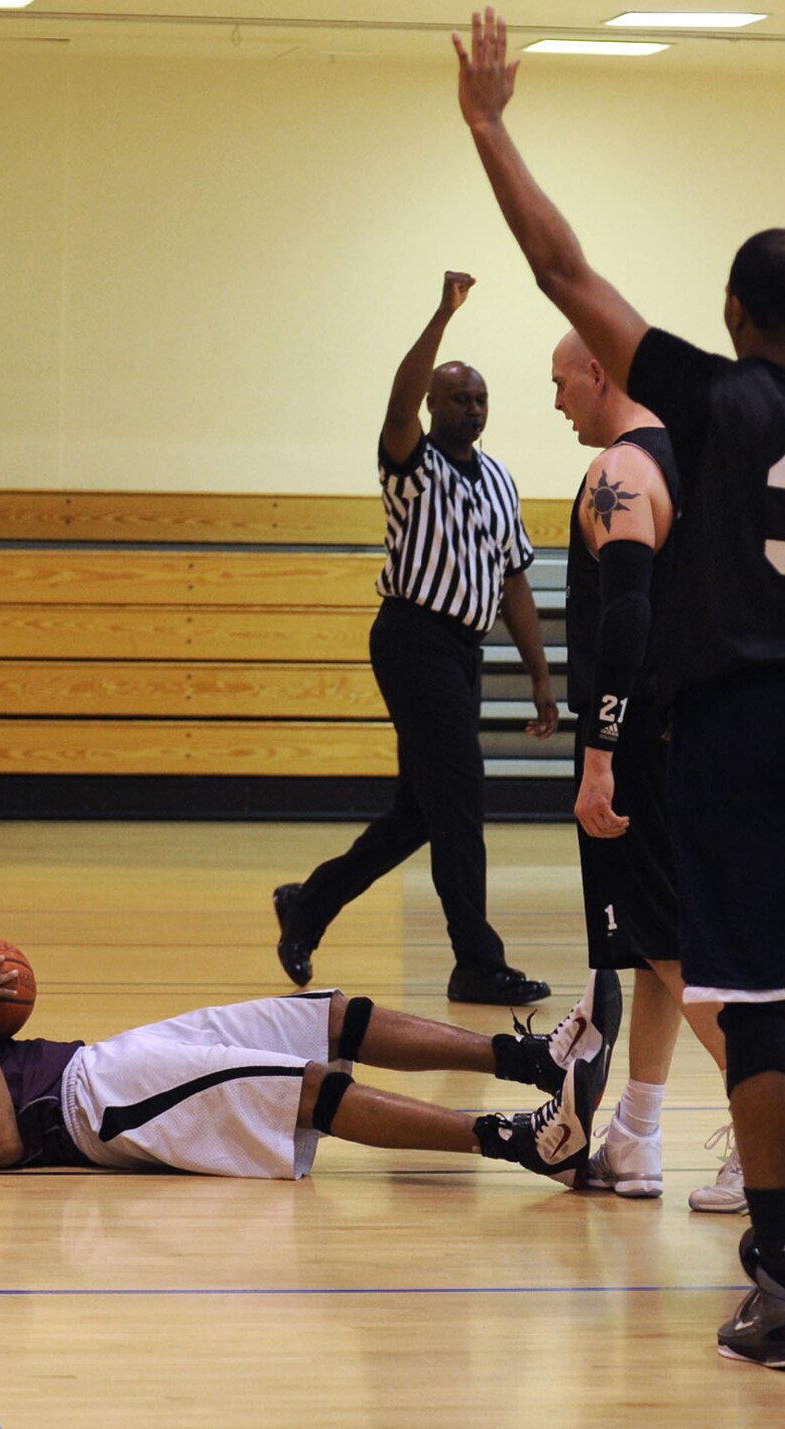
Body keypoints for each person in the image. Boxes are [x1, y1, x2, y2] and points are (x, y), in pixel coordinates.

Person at [454, 8, 785, 1369]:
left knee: (753, 997)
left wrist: (489, 124)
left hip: (743, 722)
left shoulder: (699, 397)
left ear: (737, 315)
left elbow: (561, 264)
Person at [273, 270, 559, 1006]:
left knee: (421, 813)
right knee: (461, 797)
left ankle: (309, 904)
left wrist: (538, 674)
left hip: (463, 650)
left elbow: (517, 581)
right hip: (412, 638)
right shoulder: (411, 466)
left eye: (480, 398)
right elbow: (397, 402)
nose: (472, 407)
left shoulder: (500, 482)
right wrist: (442, 316)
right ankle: (476, 962)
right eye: (458, 396)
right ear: (434, 407)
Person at [0, 954, 619, 1184]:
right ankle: (519, 1144)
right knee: (298, 1086)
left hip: (101, 1060)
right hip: (92, 1108)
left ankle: (532, 1060)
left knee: (320, 1015)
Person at [544, 328, 732, 1203]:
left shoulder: (619, 472)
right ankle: (637, 1136)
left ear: (596, 372)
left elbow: (627, 618)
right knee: (655, 942)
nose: (556, 402)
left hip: (639, 740)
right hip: (692, 731)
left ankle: (775, 1134)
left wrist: (599, 754)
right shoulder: (692, 457)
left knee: (677, 955)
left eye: (560, 383)